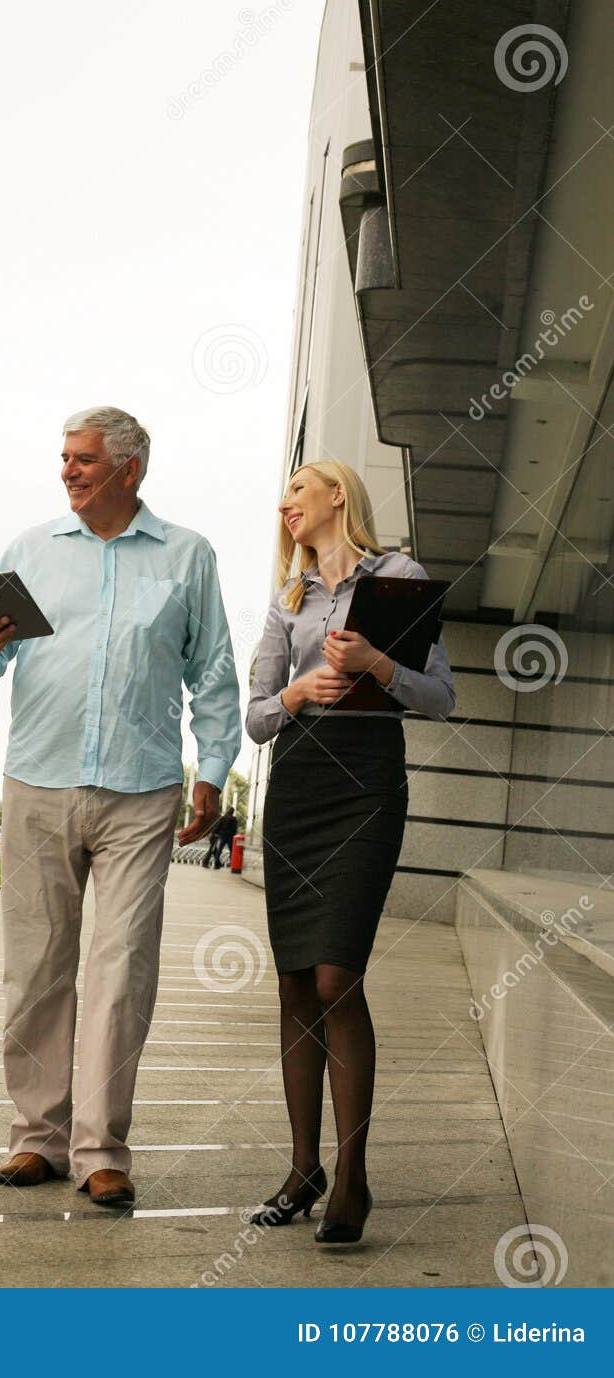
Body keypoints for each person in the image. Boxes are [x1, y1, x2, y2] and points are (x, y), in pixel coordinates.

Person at [0, 406, 241, 1209]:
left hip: (140, 792)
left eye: (82, 459)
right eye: (64, 458)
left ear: (128, 469)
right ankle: (35, 1140)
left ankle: (101, 1149)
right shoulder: (31, 551)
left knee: (120, 972)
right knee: (36, 968)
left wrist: (212, 771)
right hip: (37, 781)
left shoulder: (186, 557)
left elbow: (211, 673)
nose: (68, 471)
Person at [245, 460, 453, 1244]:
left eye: (298, 487)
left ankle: (353, 1177)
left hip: (365, 782)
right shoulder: (287, 599)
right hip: (297, 783)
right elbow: (257, 717)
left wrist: (376, 666)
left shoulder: (398, 577)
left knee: (337, 975)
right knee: (295, 981)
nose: (285, 502)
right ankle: (303, 1170)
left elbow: (439, 695)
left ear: (337, 494)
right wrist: (295, 694)